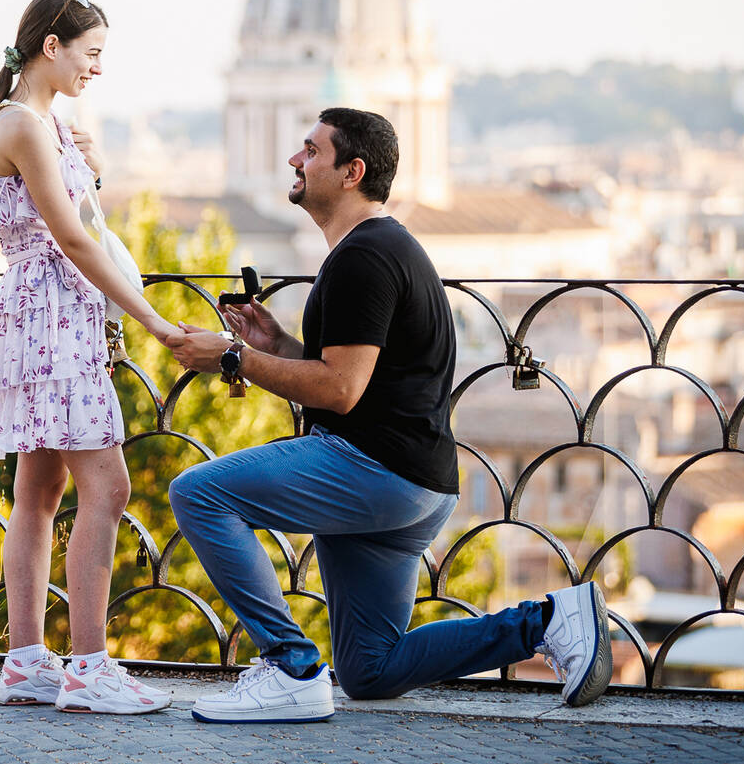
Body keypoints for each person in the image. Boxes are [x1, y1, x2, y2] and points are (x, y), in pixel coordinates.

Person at [164, 107, 611, 723]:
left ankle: (289, 666)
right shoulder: (381, 247)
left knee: (199, 494)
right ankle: (550, 621)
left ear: (353, 171)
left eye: (311, 151)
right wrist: (279, 350)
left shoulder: (362, 258)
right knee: (369, 670)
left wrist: (234, 358)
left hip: (372, 469)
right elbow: (357, 378)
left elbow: (341, 392)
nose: (295, 161)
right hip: (418, 483)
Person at [0, 0, 178, 715]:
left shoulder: (36, 123)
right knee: (107, 488)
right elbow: (73, 238)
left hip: (46, 315)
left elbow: (79, 219)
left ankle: (26, 660)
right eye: (92, 54)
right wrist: (156, 322)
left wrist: (91, 167)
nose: (99, 69)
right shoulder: (22, 124)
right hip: (52, 316)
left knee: (40, 493)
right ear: (52, 47)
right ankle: (88, 666)